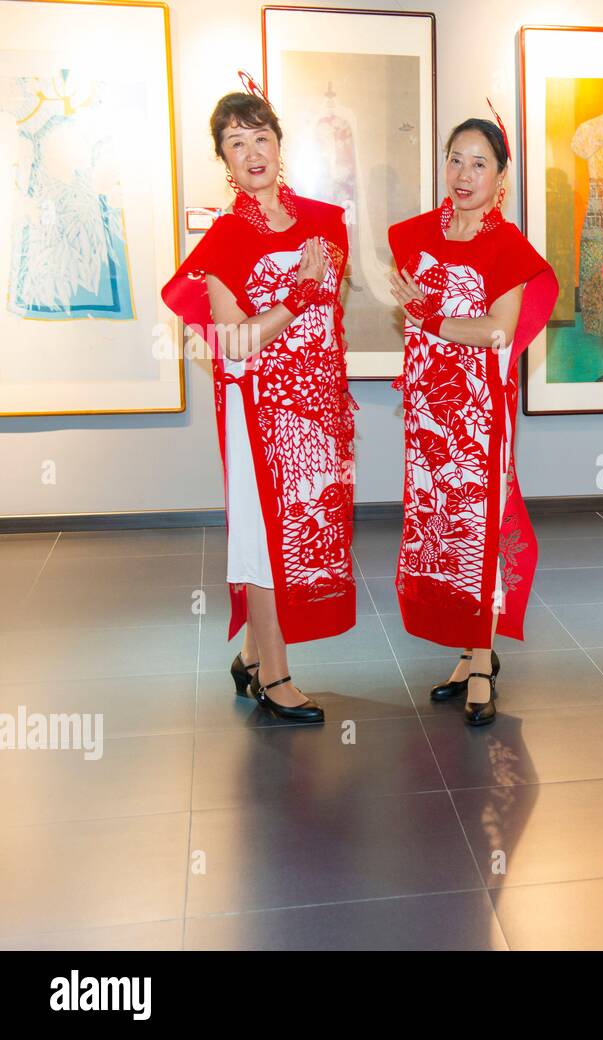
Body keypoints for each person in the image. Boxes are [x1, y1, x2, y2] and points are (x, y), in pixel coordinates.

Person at [162, 74, 357, 724]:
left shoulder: (326, 225)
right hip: (260, 414)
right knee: (264, 535)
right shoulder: (225, 240)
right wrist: (294, 296)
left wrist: (332, 397)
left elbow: (334, 320)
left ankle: (249, 654)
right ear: (223, 162)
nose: (251, 151)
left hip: (315, 411)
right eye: (235, 142)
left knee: (303, 531)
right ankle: (275, 676)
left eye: (260, 137)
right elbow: (236, 340)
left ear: (280, 143)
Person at [388, 106, 558, 726]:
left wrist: (429, 318)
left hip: (478, 416)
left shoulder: (505, 247)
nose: (463, 174)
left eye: (478, 164)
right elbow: (407, 298)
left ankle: (483, 660)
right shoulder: (414, 236)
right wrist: (407, 298)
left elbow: (496, 332)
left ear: (500, 178)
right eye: (455, 160)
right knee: (441, 532)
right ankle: (466, 648)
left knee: (479, 527)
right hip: (429, 413)